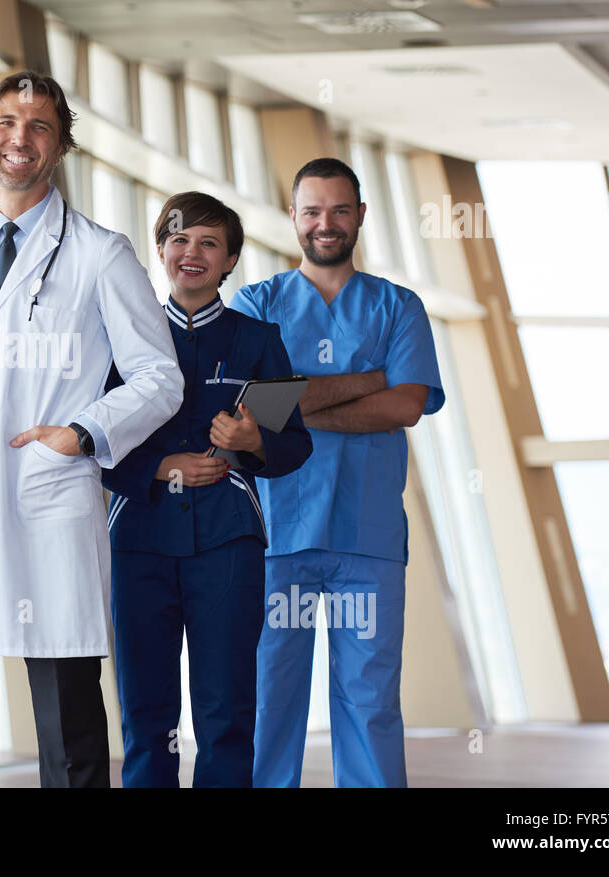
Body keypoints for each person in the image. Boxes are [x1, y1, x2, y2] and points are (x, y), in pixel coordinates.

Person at [0, 70, 184, 789]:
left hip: (46, 498)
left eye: (39, 127)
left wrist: (84, 431)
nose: (19, 138)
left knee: (70, 734)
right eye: (6, 123)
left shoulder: (98, 252)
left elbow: (160, 375)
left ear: (59, 147)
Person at [229, 157, 445, 788]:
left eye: (340, 210)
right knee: (269, 701)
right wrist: (372, 379)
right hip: (275, 537)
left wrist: (293, 402)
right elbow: (253, 408)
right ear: (294, 218)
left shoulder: (399, 306)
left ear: (360, 217)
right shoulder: (257, 302)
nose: (327, 223)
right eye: (313, 211)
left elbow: (406, 405)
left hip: (366, 539)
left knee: (370, 704)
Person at [103, 192, 311, 788]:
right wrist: (161, 465)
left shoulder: (258, 340)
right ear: (161, 250)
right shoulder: (119, 337)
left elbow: (293, 446)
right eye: (179, 239)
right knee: (145, 711)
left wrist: (252, 440)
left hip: (228, 543)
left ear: (230, 261)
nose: (191, 252)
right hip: (139, 540)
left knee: (225, 709)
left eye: (209, 243)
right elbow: (92, 442)